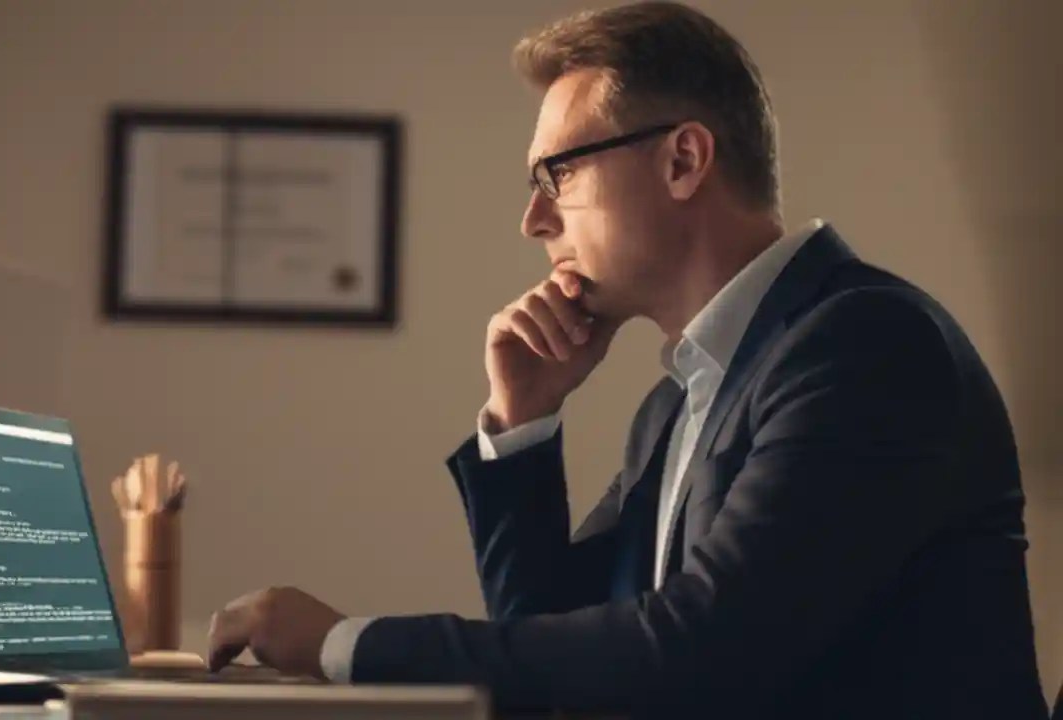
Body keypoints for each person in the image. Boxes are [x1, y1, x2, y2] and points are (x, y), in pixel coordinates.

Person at [205, 3, 1048, 717]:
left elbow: (700, 651)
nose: (535, 220)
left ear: (683, 159)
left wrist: (342, 646)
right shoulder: (679, 404)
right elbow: (559, 659)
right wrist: (522, 425)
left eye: (557, 173)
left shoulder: (862, 346)